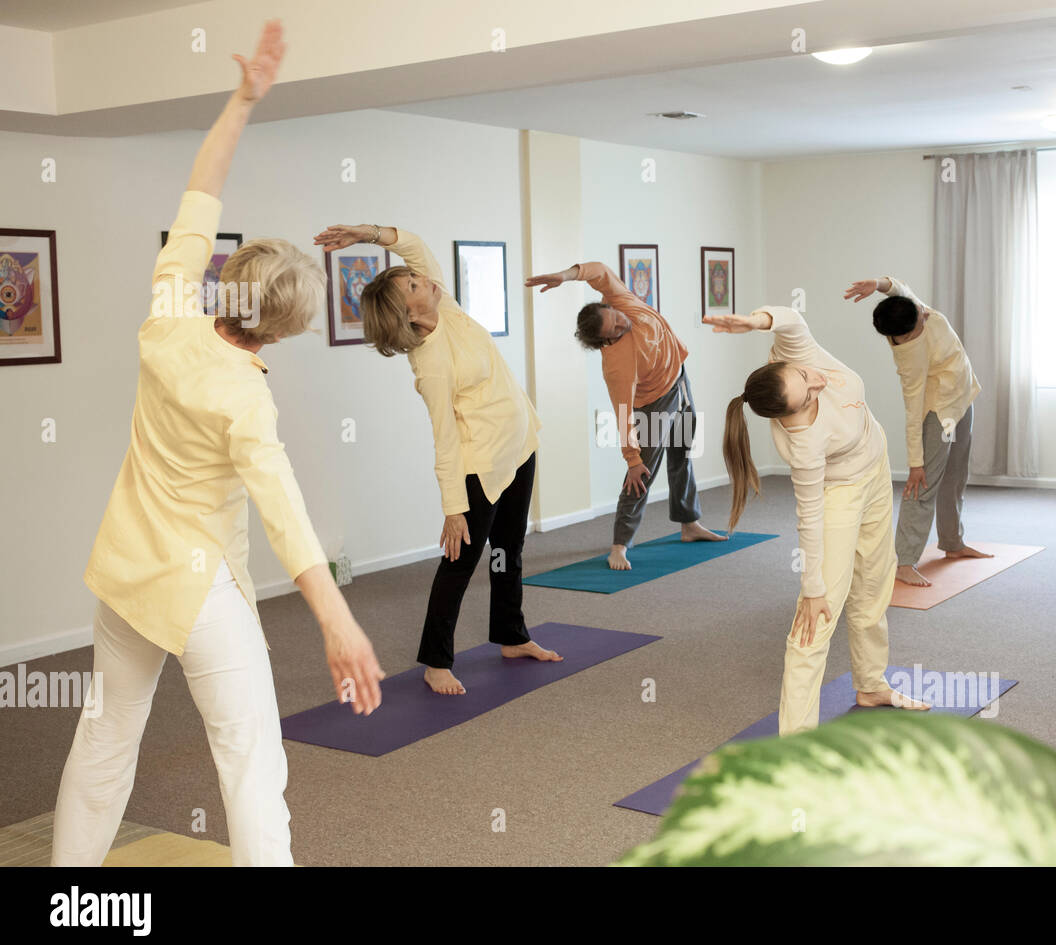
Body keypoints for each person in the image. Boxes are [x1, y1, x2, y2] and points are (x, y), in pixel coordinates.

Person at [52, 21, 385, 868]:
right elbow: (287, 517)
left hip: (127, 570)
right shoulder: (246, 400)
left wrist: (241, 99)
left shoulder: (168, 313)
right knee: (250, 763)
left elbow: (200, 197)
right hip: (198, 586)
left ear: (228, 285)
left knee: (104, 741)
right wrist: (339, 623)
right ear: (282, 331)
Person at [313, 225, 561, 696]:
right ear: (408, 311)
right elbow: (444, 439)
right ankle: (435, 661)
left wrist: (366, 233)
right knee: (459, 564)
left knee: (509, 550)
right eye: (411, 285)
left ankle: (512, 636)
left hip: (519, 444)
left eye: (414, 278)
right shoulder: (430, 362)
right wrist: (453, 507)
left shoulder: (442, 305)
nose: (423, 279)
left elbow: (415, 247)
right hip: (479, 466)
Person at [712, 306, 929, 736]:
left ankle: (870, 685)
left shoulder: (797, 360)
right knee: (817, 616)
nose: (817, 380)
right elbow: (808, 517)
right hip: (840, 495)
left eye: (803, 374)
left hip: (875, 470)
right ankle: (796, 739)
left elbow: (791, 318)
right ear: (790, 412)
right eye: (807, 391)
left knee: (874, 585)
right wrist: (812, 589)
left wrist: (756, 321)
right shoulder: (804, 446)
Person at [525, 263, 724, 570]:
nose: (622, 325)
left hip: (679, 380)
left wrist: (564, 276)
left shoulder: (622, 302)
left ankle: (689, 523)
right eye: (613, 332)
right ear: (606, 342)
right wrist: (632, 458)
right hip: (655, 402)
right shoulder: (618, 364)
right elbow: (623, 412)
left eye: (616, 319)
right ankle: (619, 545)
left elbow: (599, 272)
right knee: (641, 475)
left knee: (682, 454)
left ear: (611, 306)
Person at [844, 275, 990, 587]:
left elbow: (900, 289)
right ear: (907, 334)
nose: (925, 315)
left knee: (955, 477)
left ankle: (952, 543)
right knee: (923, 486)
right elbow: (912, 413)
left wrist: (878, 283)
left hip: (964, 398)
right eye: (919, 320)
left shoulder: (913, 309)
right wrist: (915, 464)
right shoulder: (910, 356)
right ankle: (904, 561)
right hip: (940, 412)